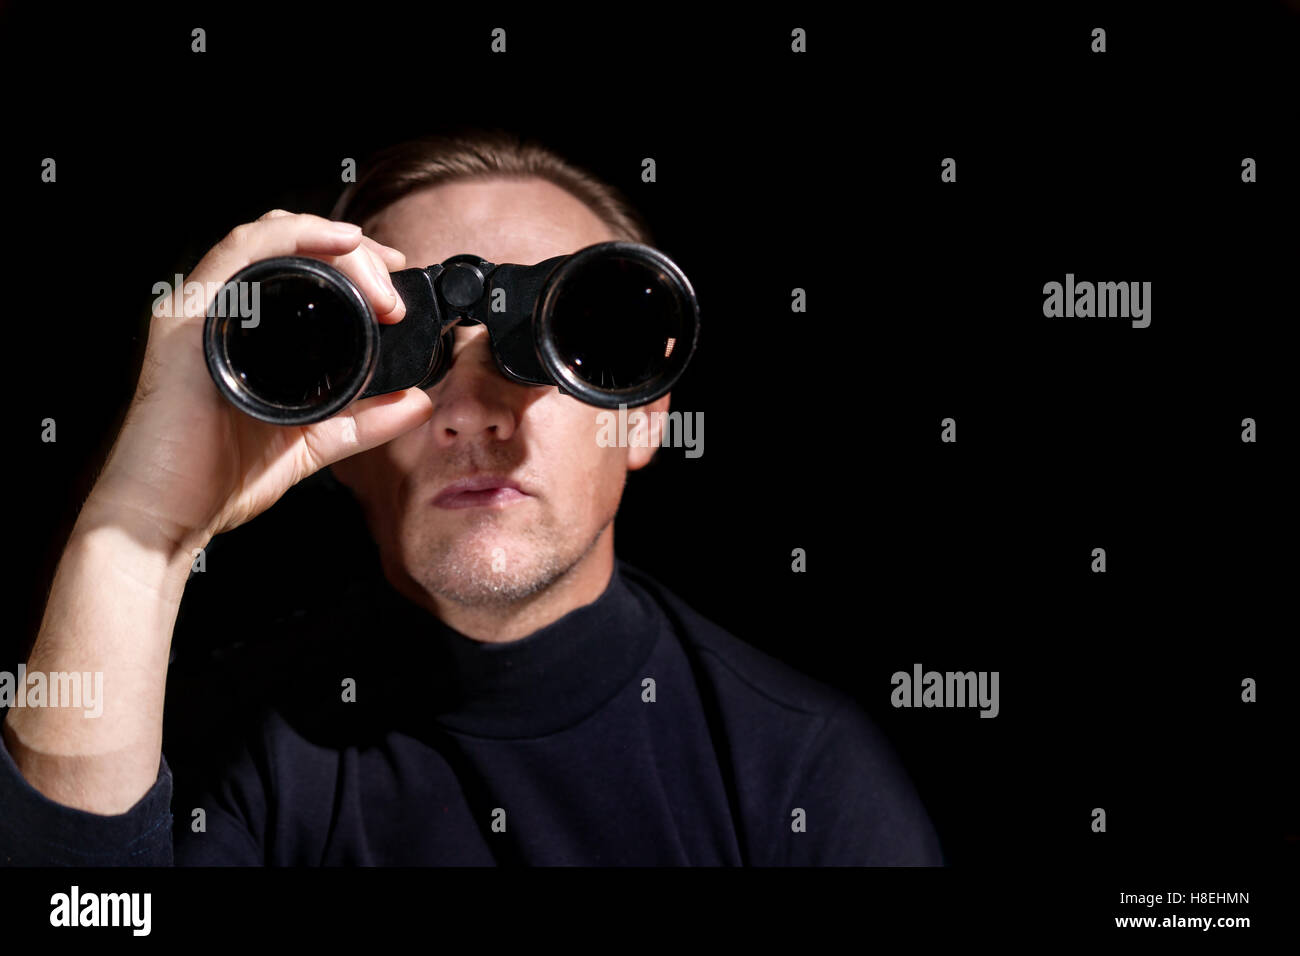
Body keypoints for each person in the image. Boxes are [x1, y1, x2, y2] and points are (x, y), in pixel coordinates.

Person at [0, 130, 943, 866]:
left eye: (563, 338)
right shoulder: (227, 748)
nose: (474, 415)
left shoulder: (801, 770)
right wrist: (140, 530)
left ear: (645, 417)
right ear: (335, 437)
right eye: (413, 348)